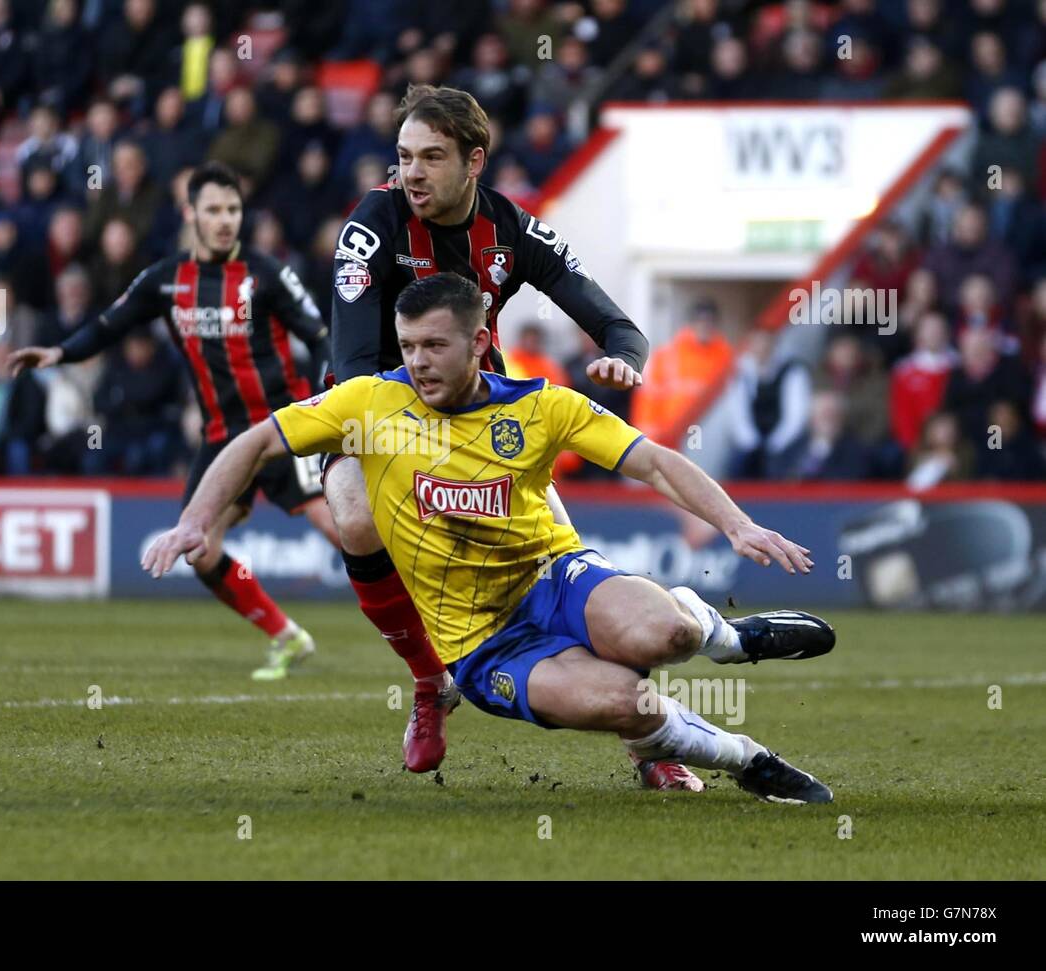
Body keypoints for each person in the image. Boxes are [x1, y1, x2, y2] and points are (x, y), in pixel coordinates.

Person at [143, 274, 836, 804]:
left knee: (669, 636)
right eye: (408, 346)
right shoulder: (368, 403)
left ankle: (724, 635)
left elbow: (653, 458)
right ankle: (749, 759)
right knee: (627, 702)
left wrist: (737, 522)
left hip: (555, 579)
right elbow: (259, 438)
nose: (418, 362)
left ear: (478, 343)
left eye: (434, 345)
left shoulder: (539, 407)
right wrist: (195, 521)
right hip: (482, 643)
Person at [325, 83, 662, 781]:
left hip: (485, 415)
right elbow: (352, 365)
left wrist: (621, 362)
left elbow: (619, 326)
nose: (410, 173)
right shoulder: (373, 224)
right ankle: (429, 681)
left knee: (574, 564)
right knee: (353, 510)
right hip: (379, 414)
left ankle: (651, 743)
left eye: (430, 157)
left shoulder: (513, 230)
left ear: (474, 161)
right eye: (402, 156)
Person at [9, 162, 339, 680]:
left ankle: (437, 632)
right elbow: (109, 324)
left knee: (341, 530)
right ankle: (287, 637)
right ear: (191, 214)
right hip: (220, 439)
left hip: (283, 428)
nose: (226, 219)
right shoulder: (166, 281)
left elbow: (321, 334)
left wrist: (328, 381)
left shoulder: (267, 273)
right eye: (213, 210)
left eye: (233, 209)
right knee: (201, 551)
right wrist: (59, 353)